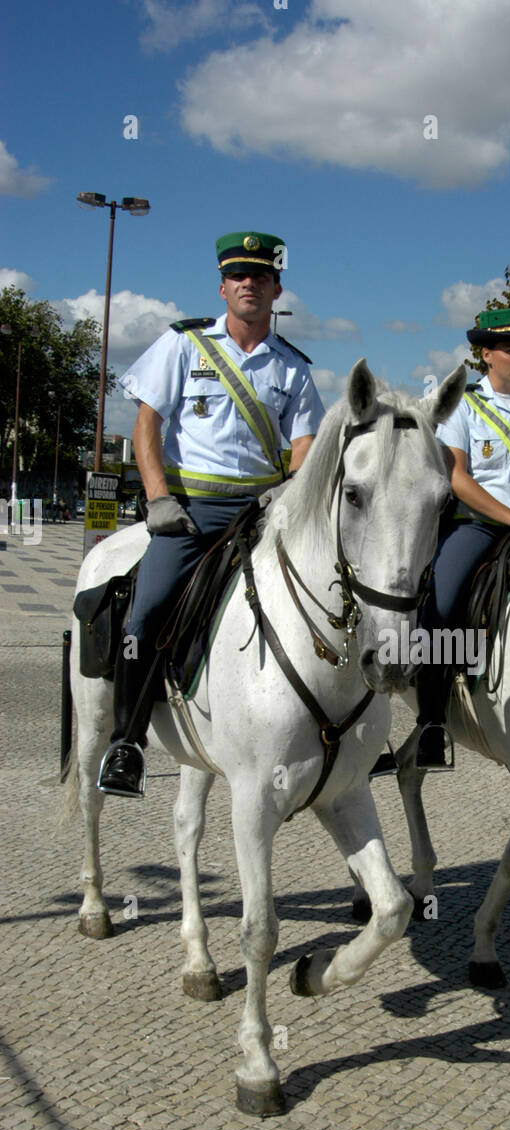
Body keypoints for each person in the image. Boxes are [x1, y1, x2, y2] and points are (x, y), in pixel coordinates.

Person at [97, 231, 325, 797]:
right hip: (190, 514)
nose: (250, 284)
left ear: (277, 289)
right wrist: (157, 499)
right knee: (145, 612)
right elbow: (145, 424)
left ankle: (343, 732)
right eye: (239, 276)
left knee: (326, 593)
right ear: (223, 287)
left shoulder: (292, 367)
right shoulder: (183, 346)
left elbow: (306, 443)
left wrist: (289, 491)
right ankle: (126, 742)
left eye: (261, 277)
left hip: (260, 512)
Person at [414, 306, 510, 768]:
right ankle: (431, 724)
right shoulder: (463, 406)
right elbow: (457, 477)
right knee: (440, 608)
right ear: (486, 354)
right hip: (476, 525)